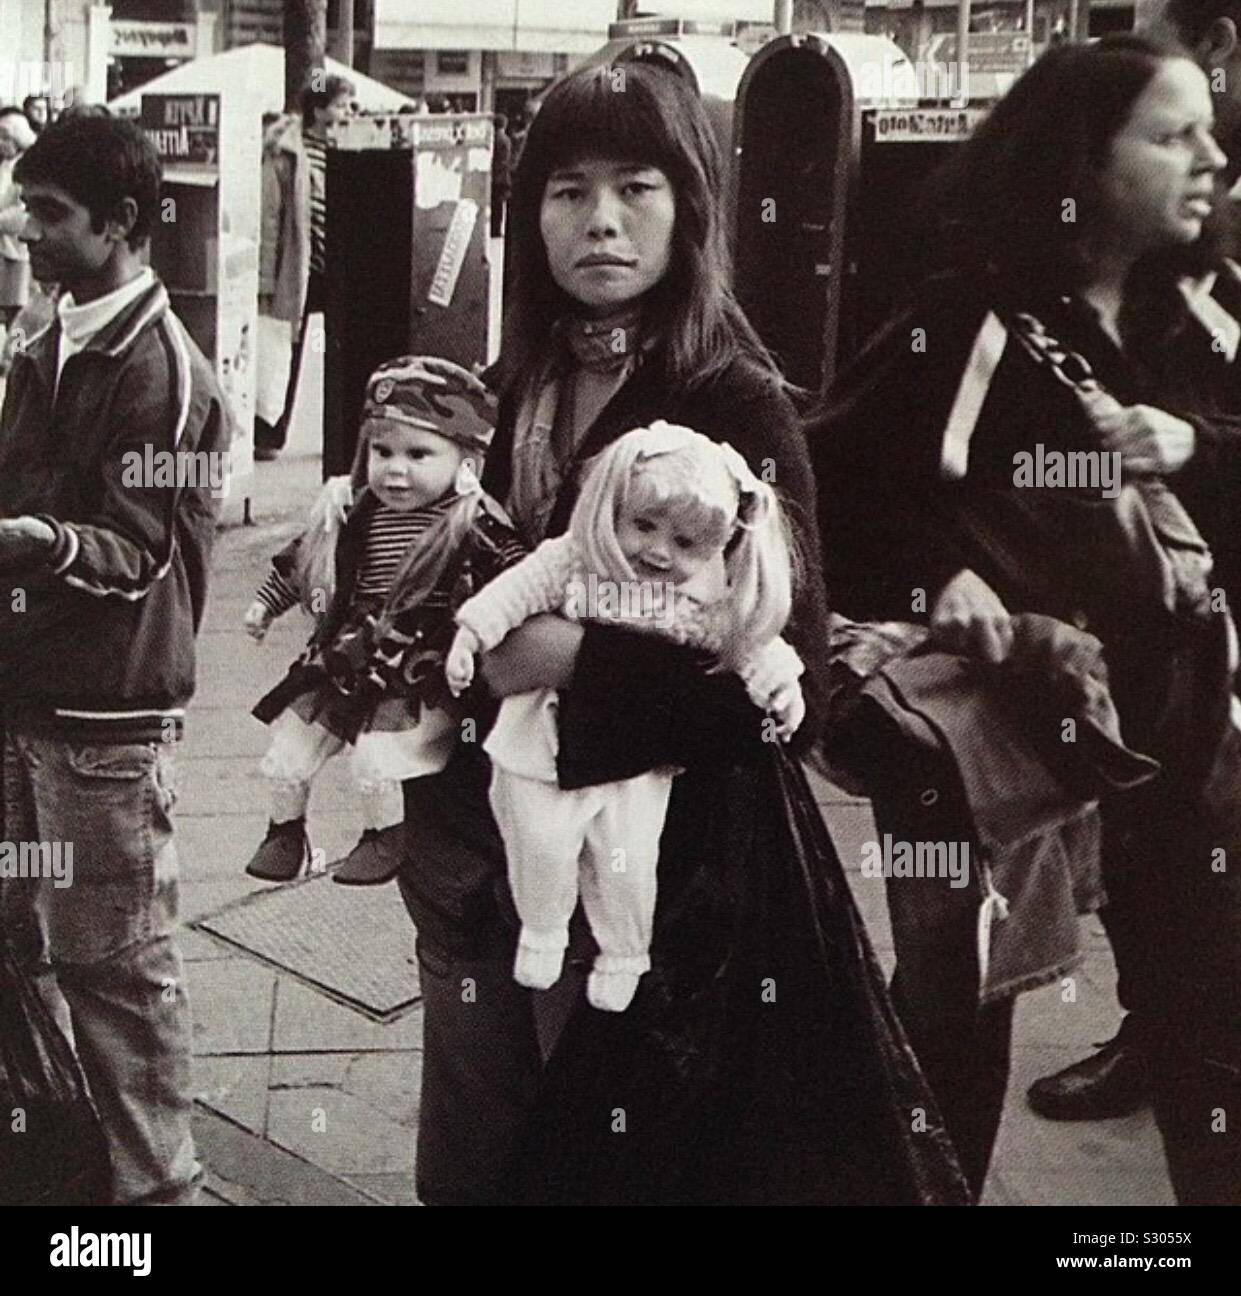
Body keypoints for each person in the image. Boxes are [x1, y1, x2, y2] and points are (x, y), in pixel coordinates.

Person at [397, 61, 970, 1207]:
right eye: (565, 190)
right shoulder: (515, 380)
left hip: (655, 868)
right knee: (467, 1153)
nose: (599, 220)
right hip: (474, 846)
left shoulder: (736, 399)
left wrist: (566, 660)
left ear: (689, 208)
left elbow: (785, 667)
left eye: (635, 187)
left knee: (594, 1155)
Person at [811, 35, 1241, 1205]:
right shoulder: (965, 318)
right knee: (952, 1021)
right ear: (1082, 163)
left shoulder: (1211, 308)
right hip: (999, 741)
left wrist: (1197, 446)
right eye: (1171, 135)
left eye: (1207, 129)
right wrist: (929, 576)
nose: (1211, 158)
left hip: (1181, 732)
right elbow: (831, 478)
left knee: (1210, 1020)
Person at [0, 115, 228, 1205]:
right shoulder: (46, 339)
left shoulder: (160, 370)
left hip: (105, 734)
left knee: (116, 964)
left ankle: (156, 1193)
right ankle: (64, 1154)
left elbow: (135, 552)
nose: (23, 230)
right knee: (25, 930)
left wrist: (36, 543)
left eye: (48, 214)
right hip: (26, 708)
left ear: (122, 225)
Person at [1029, 0, 1241, 1127]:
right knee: (1149, 848)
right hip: (1154, 624)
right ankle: (1156, 1030)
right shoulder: (1134, 259)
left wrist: (1197, 447)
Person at [446, 422, 806, 1012]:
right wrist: (471, 634)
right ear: (611, 509)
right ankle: (542, 929)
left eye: (687, 544)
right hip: (548, 733)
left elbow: (753, 643)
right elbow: (514, 593)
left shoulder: (702, 597)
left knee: (630, 859)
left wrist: (783, 688)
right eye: (643, 526)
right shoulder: (577, 561)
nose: (659, 552)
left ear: (717, 548)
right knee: (539, 838)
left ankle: (625, 953)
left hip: (635, 760)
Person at [244, 357, 525, 886]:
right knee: (290, 746)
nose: (395, 470)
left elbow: (519, 576)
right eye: (382, 452)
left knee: (376, 759)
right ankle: (285, 832)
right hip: (345, 656)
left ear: (468, 462)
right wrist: (265, 604)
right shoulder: (355, 512)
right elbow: (305, 561)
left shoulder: (472, 525)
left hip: (417, 663)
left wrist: (481, 633)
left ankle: (384, 836)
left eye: (418, 454)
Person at [256, 74, 354, 460]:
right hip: (302, 264)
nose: (348, 112)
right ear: (318, 109)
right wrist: (266, 275)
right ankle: (269, 431)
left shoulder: (349, 145)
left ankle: (342, 436)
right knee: (285, 347)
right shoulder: (285, 152)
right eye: (341, 105)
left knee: (342, 350)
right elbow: (270, 216)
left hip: (340, 263)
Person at [0, 108, 36, 332]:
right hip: (3, 250)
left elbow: (24, 212)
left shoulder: (27, 168)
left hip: (17, 252)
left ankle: (17, 356)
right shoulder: (5, 165)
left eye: (4, 137)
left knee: (18, 315)